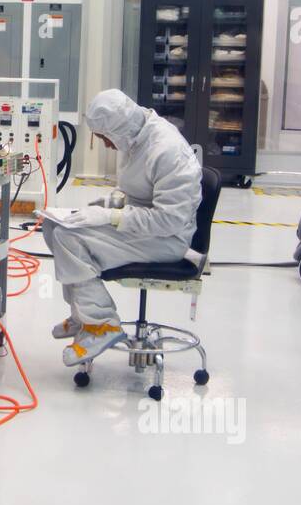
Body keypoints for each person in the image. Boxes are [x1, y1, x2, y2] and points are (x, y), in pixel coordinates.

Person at [41, 89, 202, 367]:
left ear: (119, 129)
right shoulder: (136, 138)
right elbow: (138, 193)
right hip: (142, 228)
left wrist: (111, 217)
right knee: (53, 227)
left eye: (104, 138)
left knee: (69, 238)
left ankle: (102, 325)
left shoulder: (167, 151)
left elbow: (169, 220)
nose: (104, 144)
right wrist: (103, 206)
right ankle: (83, 314)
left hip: (167, 239)